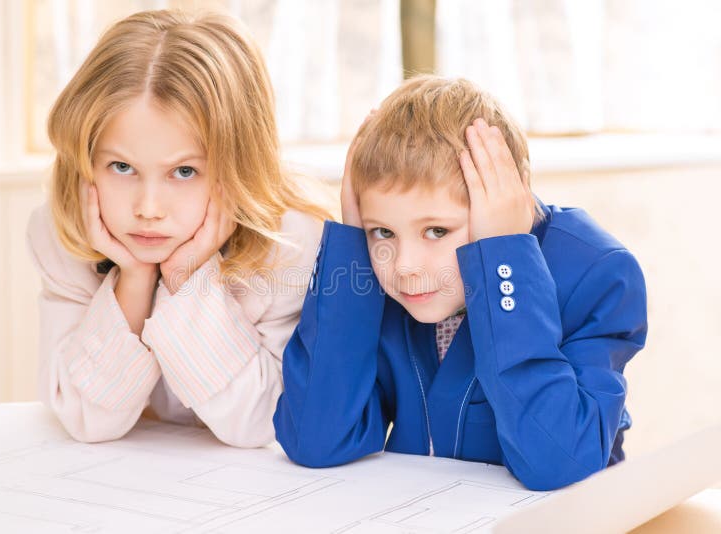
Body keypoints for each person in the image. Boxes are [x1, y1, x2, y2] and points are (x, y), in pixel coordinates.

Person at [274, 75, 648, 490]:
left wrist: (503, 258)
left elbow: (559, 462)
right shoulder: (379, 273)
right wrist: (351, 246)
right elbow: (316, 439)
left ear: (509, 201)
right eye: (383, 231)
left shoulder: (598, 274)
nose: (406, 267)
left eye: (436, 231)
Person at [26, 9, 328, 446]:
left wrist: (185, 277)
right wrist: (133, 282)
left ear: (236, 168)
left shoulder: (292, 243)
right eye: (122, 166)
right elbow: (86, 418)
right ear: (84, 160)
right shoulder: (62, 233)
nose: (148, 209)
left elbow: (264, 422)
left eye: (184, 172)